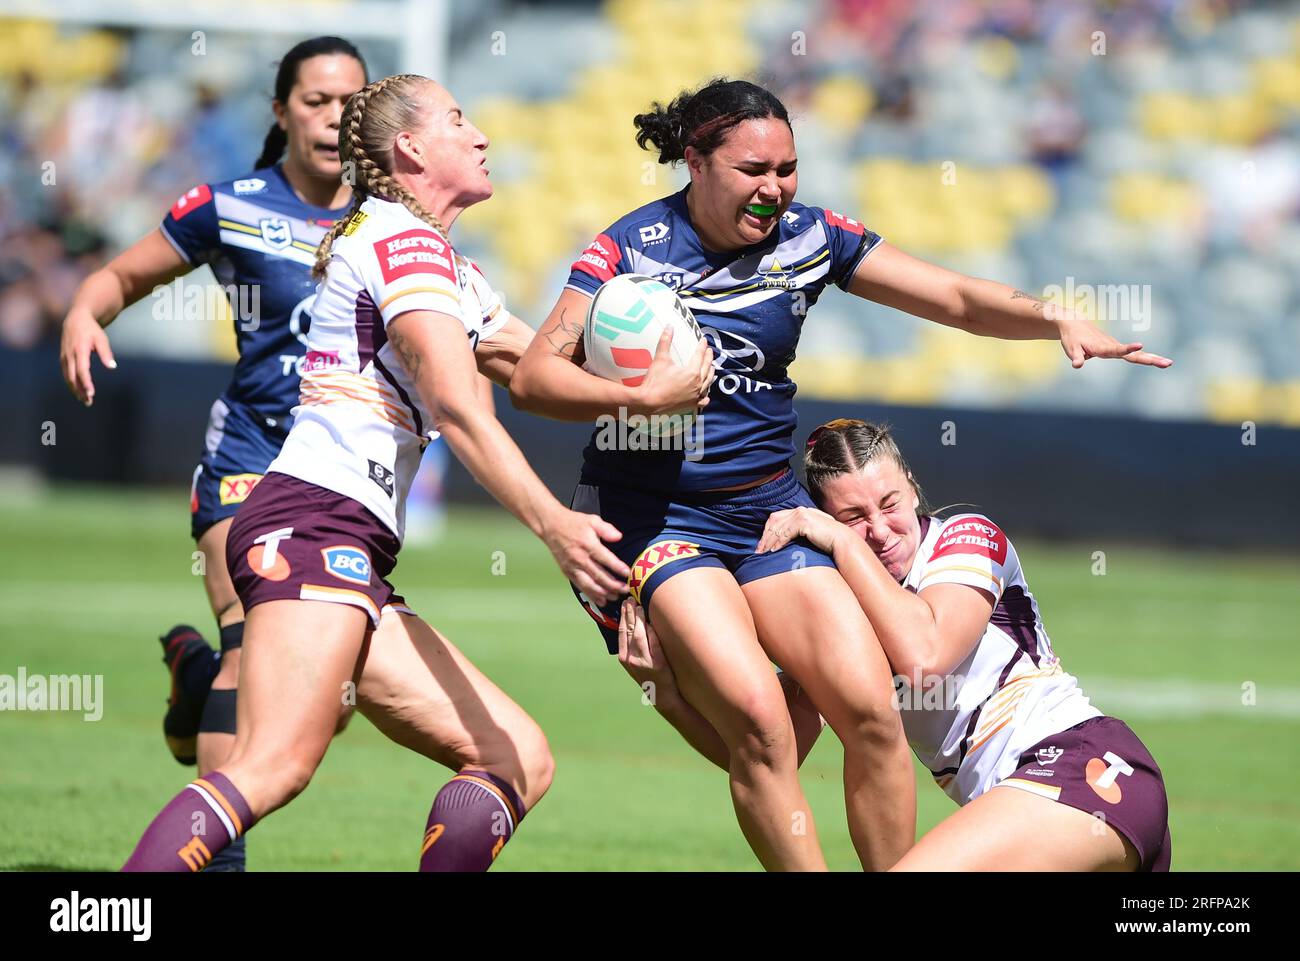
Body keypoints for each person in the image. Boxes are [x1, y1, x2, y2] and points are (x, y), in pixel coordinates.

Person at [510, 78, 1170, 871]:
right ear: (694, 160)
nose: (775, 188)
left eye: (788, 168)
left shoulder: (810, 237)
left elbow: (956, 297)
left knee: (871, 711)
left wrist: (1051, 315)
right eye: (754, 169)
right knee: (760, 721)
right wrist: (642, 395)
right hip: (654, 520)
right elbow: (533, 378)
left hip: (766, 513)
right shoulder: (628, 249)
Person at [122, 72, 629, 872]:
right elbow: (462, 411)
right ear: (412, 147)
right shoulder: (405, 243)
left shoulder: (443, 266)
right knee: (274, 765)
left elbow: (537, 370)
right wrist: (554, 525)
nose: (482, 135)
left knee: (517, 757)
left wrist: (650, 385)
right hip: (316, 525)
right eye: (460, 120)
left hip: (340, 542)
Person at [59, 36, 370, 870]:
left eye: (351, 101)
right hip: (250, 457)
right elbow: (121, 277)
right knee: (251, 636)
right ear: (280, 111)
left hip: (338, 479)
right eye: (316, 101)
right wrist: (86, 314)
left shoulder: (392, 219)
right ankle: (215, 859)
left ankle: (194, 681)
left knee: (321, 700)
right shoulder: (231, 204)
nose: (336, 117)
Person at [620, 417, 1171, 871]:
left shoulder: (965, 536)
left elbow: (923, 658)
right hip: (1028, 810)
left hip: (1086, 766)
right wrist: (665, 694)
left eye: (889, 503)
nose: (880, 531)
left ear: (911, 485)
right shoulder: (847, 605)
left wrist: (839, 540)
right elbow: (767, 753)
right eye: (852, 517)